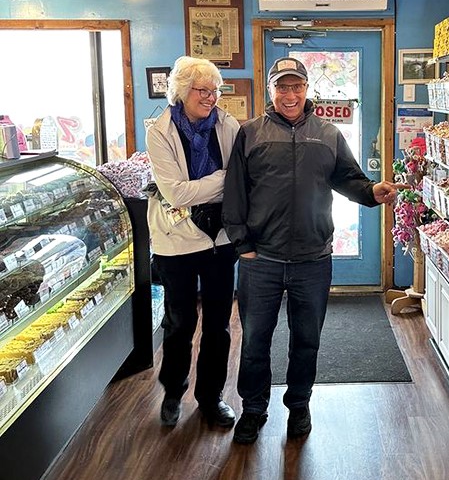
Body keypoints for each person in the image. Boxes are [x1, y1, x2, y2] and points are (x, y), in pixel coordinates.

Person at [223, 57, 399, 444]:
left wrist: (372, 193)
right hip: (261, 260)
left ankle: (299, 404)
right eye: (282, 87)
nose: (290, 94)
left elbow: (348, 178)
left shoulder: (328, 133)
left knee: (307, 340)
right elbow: (234, 191)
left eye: (296, 86)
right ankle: (253, 408)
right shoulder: (249, 133)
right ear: (271, 90)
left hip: (312, 260)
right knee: (254, 340)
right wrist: (243, 245)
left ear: (307, 90)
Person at [146, 56, 240, 428]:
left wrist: (213, 184)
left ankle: (211, 397)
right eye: (203, 90)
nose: (211, 97)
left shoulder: (228, 125)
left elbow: (239, 179)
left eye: (215, 90)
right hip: (175, 241)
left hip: (219, 238)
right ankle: (173, 391)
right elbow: (176, 193)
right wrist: (223, 178)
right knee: (180, 321)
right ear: (182, 91)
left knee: (218, 324)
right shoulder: (161, 131)